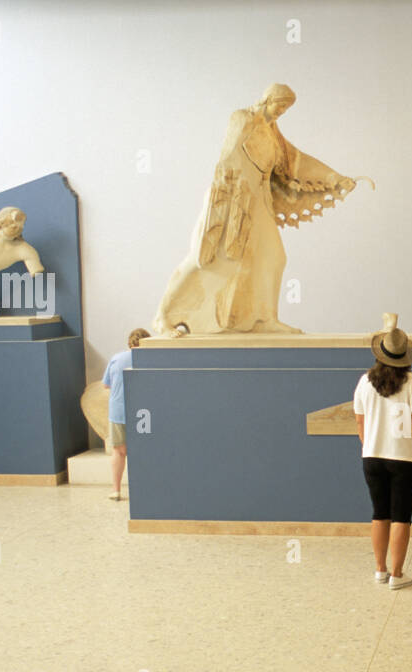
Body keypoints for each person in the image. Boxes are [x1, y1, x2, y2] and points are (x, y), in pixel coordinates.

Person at [152, 83, 367, 336]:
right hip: (228, 201)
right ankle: (162, 318)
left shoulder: (273, 134)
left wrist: (334, 177)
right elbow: (227, 161)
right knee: (201, 259)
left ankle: (266, 318)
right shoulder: (242, 118)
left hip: (258, 202)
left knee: (274, 257)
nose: (282, 111)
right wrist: (230, 203)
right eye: (280, 105)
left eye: (286, 108)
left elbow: (298, 162)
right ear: (268, 99)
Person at [353, 315, 412, 589]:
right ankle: (398, 575)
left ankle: (380, 570)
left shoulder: (365, 381)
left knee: (379, 514)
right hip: (406, 458)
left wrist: (369, 446)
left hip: (372, 457)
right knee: (401, 515)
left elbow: (360, 421)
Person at [101, 328, 151, 501]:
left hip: (117, 411)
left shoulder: (116, 358)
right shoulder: (149, 361)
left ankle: (116, 490)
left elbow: (106, 385)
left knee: (118, 452)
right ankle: (144, 489)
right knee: (144, 451)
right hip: (143, 413)